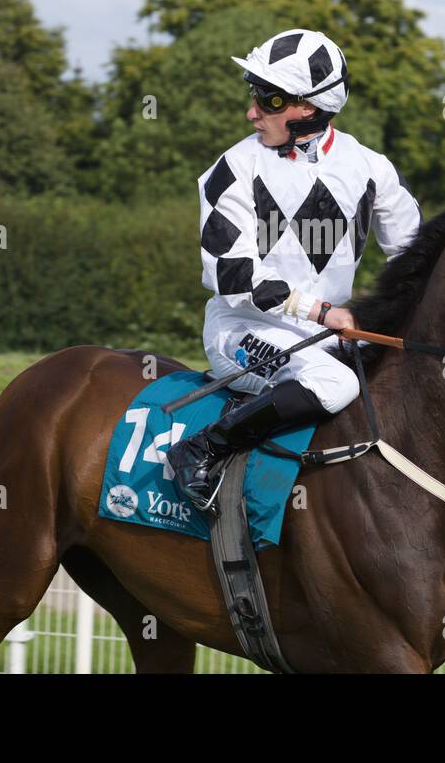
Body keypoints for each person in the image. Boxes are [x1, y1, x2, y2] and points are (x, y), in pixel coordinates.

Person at [166, 28, 422, 512]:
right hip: (242, 330)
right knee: (337, 384)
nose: (252, 113)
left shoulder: (372, 169)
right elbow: (231, 276)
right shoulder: (233, 169)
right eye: (254, 96)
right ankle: (201, 448)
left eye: (268, 100)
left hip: (326, 335)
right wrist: (321, 311)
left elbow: (415, 257)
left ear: (307, 107)